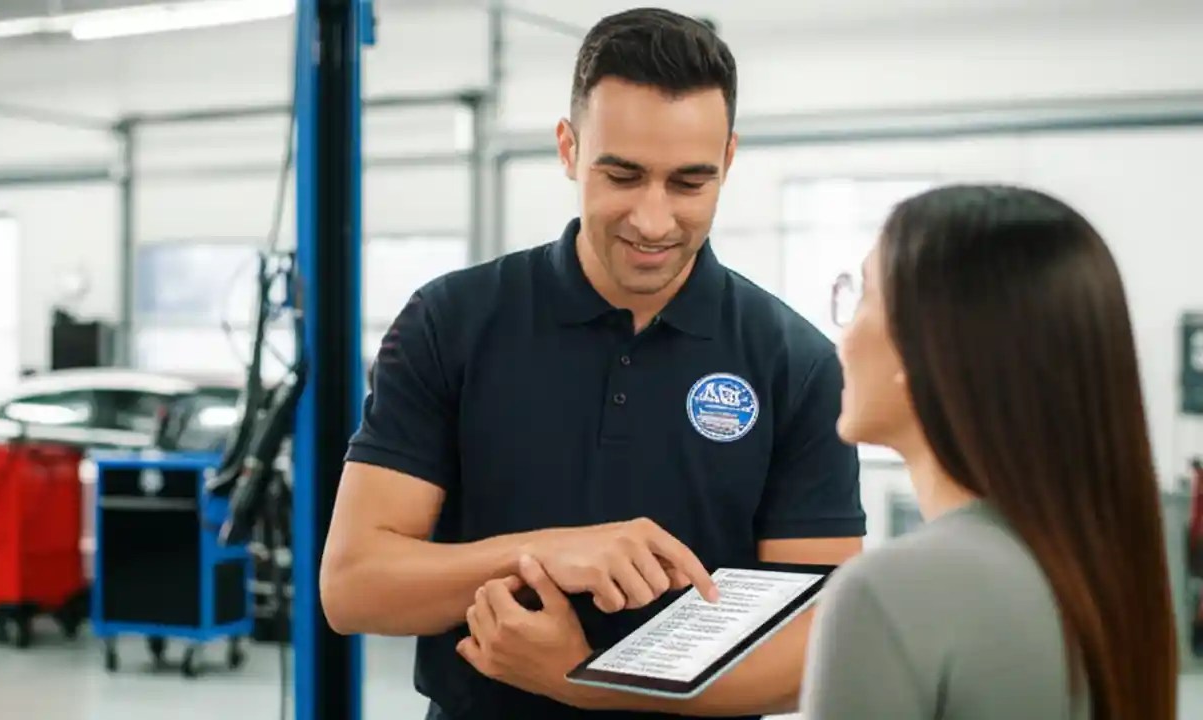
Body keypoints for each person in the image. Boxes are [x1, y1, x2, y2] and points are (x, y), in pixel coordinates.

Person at [319, 7, 865, 720]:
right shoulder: (452, 322)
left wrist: (580, 679)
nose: (653, 219)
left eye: (689, 183)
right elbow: (354, 586)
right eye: (623, 176)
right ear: (569, 149)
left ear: (728, 160)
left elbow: (826, 643)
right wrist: (547, 553)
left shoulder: (796, 363)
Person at [797, 184, 1178, 719]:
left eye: (862, 296)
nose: (843, 338)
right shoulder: (1105, 566)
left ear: (922, 345)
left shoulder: (889, 592)